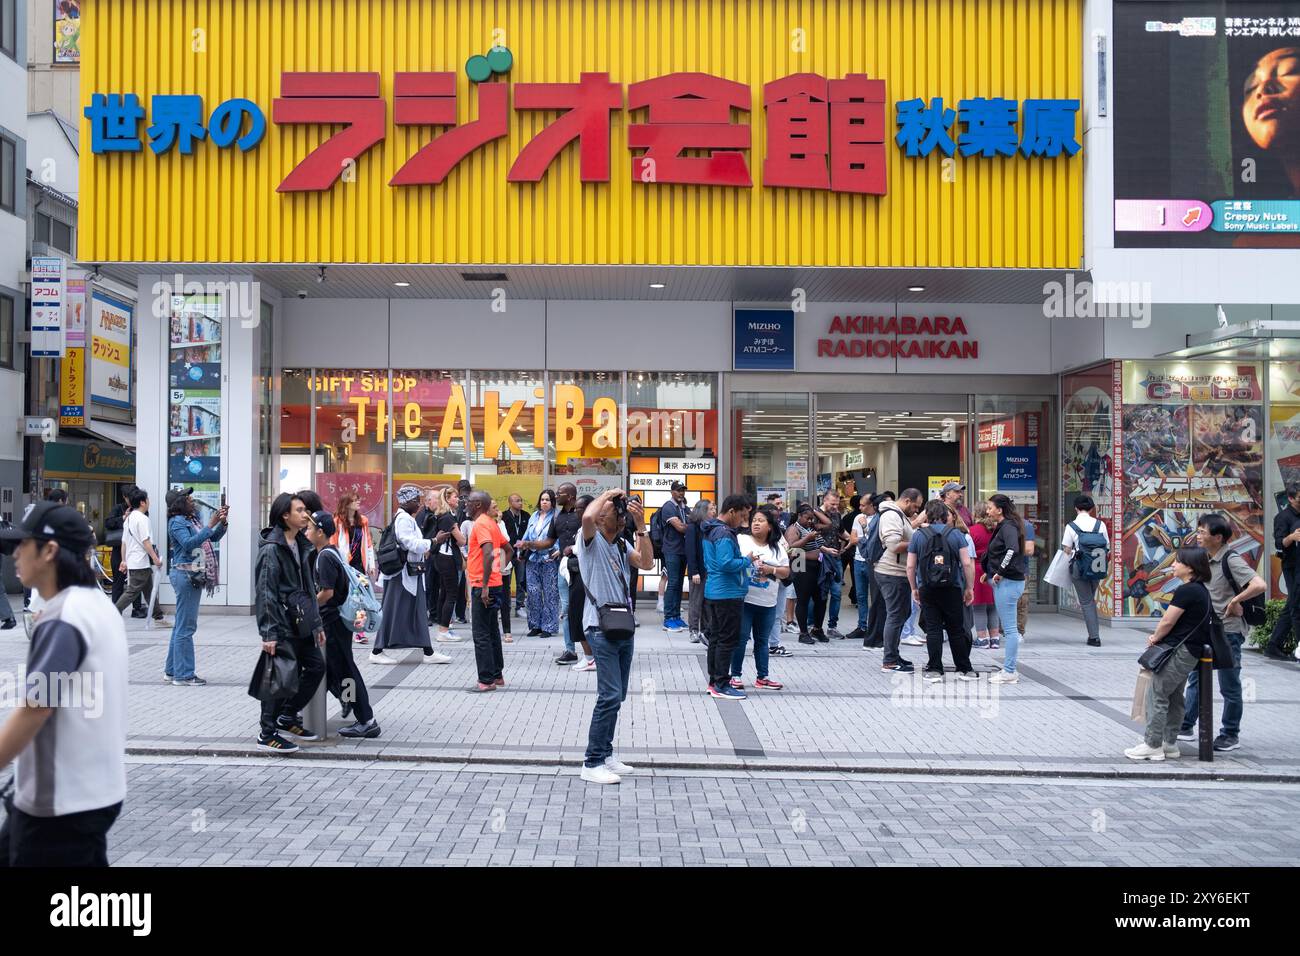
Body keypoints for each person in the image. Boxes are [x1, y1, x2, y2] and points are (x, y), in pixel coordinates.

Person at [0, 502, 128, 865]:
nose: (13, 556)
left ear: (49, 551)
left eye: (21, 546)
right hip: (94, 792)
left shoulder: (62, 618)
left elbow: (35, 708)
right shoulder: (98, 606)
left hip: (60, 805)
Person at [577, 489, 653, 784]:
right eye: (613, 509)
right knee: (608, 695)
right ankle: (591, 762)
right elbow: (586, 516)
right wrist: (609, 493)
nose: (619, 512)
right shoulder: (589, 541)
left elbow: (646, 563)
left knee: (617, 695)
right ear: (600, 517)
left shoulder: (621, 545)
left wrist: (641, 525)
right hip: (599, 626)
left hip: (623, 625)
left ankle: (606, 754)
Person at [1178, 514, 1266, 753]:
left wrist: (1235, 601)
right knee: (1196, 678)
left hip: (1228, 632)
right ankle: (1186, 725)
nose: (1198, 536)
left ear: (1218, 537)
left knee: (1229, 683)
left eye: (1202, 532)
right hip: (1205, 629)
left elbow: (1259, 584)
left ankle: (1230, 733)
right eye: (1198, 531)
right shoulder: (1205, 559)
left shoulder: (1231, 559)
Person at [253, 493, 327, 753]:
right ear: (285, 515)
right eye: (300, 510)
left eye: (306, 510)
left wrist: (316, 624)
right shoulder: (272, 548)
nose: (306, 515)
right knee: (279, 676)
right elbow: (265, 592)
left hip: (301, 619)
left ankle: (287, 715)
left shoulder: (300, 544)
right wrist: (269, 632)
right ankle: (267, 732)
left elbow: (308, 586)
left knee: (317, 666)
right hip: (281, 622)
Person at [1125, 548, 1215, 761]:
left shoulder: (1187, 591)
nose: (1173, 565)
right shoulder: (1201, 590)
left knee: (1157, 693)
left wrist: (1155, 637)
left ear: (1190, 567)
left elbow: (1168, 620)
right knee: (1174, 696)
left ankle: (1152, 744)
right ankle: (1170, 744)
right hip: (1190, 651)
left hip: (1179, 650)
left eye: (1178, 562)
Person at [307, 510, 380, 739]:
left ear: (320, 532)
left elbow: (327, 593)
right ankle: (347, 702)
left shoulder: (325, 557)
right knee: (335, 669)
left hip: (333, 621)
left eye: (309, 528)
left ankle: (366, 719)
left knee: (346, 670)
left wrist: (309, 606)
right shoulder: (331, 552)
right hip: (337, 621)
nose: (306, 531)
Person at [370, 487, 447, 665]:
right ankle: (376, 651)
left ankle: (428, 651)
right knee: (392, 610)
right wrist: (434, 541)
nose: (419, 504)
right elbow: (409, 543)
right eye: (416, 501)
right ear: (405, 502)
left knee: (417, 610)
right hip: (401, 574)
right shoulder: (404, 519)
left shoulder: (405, 518)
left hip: (409, 573)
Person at [907, 499, 979, 683]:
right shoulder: (956, 534)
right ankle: (964, 669)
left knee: (933, 629)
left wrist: (914, 588)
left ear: (927, 516)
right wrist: (969, 587)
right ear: (946, 516)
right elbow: (966, 564)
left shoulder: (918, 535)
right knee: (956, 629)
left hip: (927, 588)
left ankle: (934, 669)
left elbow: (910, 565)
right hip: (953, 587)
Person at [164, 486, 228, 686]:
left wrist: (222, 524)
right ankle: (184, 675)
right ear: (179, 503)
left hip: (191, 573)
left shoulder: (191, 520)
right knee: (186, 627)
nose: (192, 500)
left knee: (180, 626)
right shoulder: (177, 522)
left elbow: (212, 538)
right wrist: (210, 523)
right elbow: (189, 544)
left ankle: (172, 671)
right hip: (185, 574)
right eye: (188, 498)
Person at [729, 505, 790, 690]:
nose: (756, 523)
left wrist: (771, 569)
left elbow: (786, 572)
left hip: (768, 601)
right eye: (754, 520)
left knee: (762, 641)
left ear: (770, 526)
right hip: (745, 600)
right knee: (740, 639)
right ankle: (735, 676)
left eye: (761, 521)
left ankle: (762, 677)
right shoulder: (741, 539)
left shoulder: (778, 547)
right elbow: (731, 562)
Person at [703, 495, 756, 700]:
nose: (743, 521)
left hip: (715, 591)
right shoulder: (724, 533)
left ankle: (714, 681)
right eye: (742, 516)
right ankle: (722, 684)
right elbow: (726, 564)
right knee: (727, 639)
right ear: (732, 511)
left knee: (716, 638)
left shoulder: (711, 530)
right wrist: (747, 560)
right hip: (727, 592)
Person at [465, 492, 510, 690]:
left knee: (481, 634)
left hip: (483, 586)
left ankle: (486, 680)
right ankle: (496, 674)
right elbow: (508, 549)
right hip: (495, 583)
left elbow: (489, 552)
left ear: (476, 504)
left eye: (467, 502)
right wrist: (499, 571)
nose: (465, 505)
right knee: (492, 631)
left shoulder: (482, 523)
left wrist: (484, 585)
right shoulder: (491, 523)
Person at [875, 488, 924, 672]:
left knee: (901, 615)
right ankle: (889, 661)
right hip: (891, 572)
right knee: (895, 615)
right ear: (907, 501)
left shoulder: (899, 515)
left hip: (898, 572)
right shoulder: (892, 516)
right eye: (915, 506)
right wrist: (920, 542)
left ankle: (894, 655)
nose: (916, 511)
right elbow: (894, 545)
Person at [983, 493, 1028, 685]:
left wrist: (999, 571)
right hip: (1007, 580)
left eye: (990, 507)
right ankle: (1009, 670)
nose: (987, 510)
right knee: (1009, 629)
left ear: (999, 509)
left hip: (1008, 582)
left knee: (1009, 630)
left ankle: (1009, 671)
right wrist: (990, 571)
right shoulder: (1007, 525)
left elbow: (1011, 550)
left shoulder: (1008, 526)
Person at [554, 485, 597, 670]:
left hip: (584, 577)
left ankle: (590, 657)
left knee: (578, 615)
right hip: (574, 575)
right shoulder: (579, 527)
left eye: (581, 508)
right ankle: (588, 655)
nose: (577, 512)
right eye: (577, 508)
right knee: (574, 614)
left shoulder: (590, 527)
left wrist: (572, 549)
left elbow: (588, 549)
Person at [1060, 494, 1109, 647]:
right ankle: (1094, 634)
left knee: (1087, 601)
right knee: (1090, 600)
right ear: (1092, 508)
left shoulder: (1071, 526)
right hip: (1097, 566)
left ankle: (1094, 637)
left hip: (1079, 568)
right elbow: (1106, 546)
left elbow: (1067, 549)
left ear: (1076, 508)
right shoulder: (1100, 525)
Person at [113, 487, 166, 624]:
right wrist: (155, 558)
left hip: (133, 561)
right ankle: (112, 613)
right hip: (140, 561)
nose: (149, 501)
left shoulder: (129, 519)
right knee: (132, 592)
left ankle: (158, 617)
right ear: (142, 502)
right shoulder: (142, 519)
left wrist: (124, 560)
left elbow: (124, 542)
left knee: (149, 591)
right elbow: (145, 541)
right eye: (147, 499)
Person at [1264, 481, 1300, 660]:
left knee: (1292, 604)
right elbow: (1279, 544)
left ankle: (1273, 645)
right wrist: (1292, 537)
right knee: (1296, 606)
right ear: (1291, 498)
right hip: (1292, 566)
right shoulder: (1283, 517)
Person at [785, 504, 828, 644]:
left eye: (812, 518)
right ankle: (803, 633)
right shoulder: (793, 529)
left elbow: (829, 524)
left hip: (818, 567)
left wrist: (816, 510)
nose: (810, 521)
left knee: (821, 599)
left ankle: (817, 629)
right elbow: (791, 549)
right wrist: (807, 540)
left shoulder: (811, 528)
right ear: (799, 516)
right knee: (803, 600)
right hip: (801, 566)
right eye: (807, 518)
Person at [520, 488, 560, 637]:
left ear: (552, 502)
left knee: (550, 593)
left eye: (547, 500)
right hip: (532, 558)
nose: (544, 502)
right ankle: (535, 625)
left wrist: (558, 550)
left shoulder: (557, 516)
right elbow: (526, 536)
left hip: (549, 559)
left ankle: (548, 626)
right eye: (542, 499)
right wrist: (522, 547)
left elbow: (561, 536)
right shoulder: (533, 516)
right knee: (533, 592)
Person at [430, 487, 466, 644]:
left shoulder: (444, 516)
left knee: (444, 593)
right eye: (455, 497)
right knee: (451, 594)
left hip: (442, 558)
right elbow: (462, 540)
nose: (457, 499)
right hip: (447, 558)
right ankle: (444, 630)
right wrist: (459, 532)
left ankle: (443, 629)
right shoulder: (448, 518)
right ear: (447, 499)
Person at [104, 484, 145, 618]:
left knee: (136, 581)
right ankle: (115, 609)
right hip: (118, 549)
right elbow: (108, 523)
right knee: (118, 580)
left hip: (135, 550)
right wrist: (123, 518)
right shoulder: (118, 508)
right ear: (124, 497)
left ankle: (137, 609)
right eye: (128, 497)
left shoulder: (140, 509)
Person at [659, 481, 691, 633]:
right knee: (672, 583)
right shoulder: (668, 507)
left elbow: (690, 524)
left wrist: (689, 525)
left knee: (678, 584)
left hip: (683, 550)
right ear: (672, 491)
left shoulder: (684, 507)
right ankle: (668, 619)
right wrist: (690, 526)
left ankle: (676, 616)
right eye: (678, 490)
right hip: (672, 550)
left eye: (683, 490)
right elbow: (680, 527)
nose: (681, 493)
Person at [969, 501, 1001, 649]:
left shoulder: (972, 531)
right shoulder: (996, 530)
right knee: (993, 606)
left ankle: (982, 639)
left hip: (977, 570)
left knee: (979, 607)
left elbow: (968, 553)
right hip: (994, 570)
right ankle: (995, 639)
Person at [814, 491, 847, 638]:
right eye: (832, 503)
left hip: (835, 558)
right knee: (818, 593)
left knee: (837, 593)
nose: (835, 506)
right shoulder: (814, 514)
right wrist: (826, 549)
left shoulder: (837, 515)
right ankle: (813, 624)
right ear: (825, 500)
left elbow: (841, 532)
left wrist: (851, 540)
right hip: (820, 557)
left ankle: (832, 626)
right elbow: (810, 537)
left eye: (837, 503)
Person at [683, 499, 714, 645]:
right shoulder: (692, 527)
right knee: (696, 601)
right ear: (703, 511)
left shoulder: (710, 526)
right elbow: (690, 551)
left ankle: (706, 630)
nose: (714, 511)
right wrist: (693, 571)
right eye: (711, 509)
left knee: (708, 602)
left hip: (709, 570)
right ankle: (693, 630)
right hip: (698, 571)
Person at [846, 493, 876, 640]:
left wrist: (864, 529)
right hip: (858, 560)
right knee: (861, 595)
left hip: (874, 562)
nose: (860, 507)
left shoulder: (879, 518)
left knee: (876, 596)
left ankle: (875, 626)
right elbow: (853, 538)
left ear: (871, 505)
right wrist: (865, 538)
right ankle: (862, 625)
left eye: (863, 505)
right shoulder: (858, 517)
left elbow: (876, 540)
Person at [490, 499, 514, 645]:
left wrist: (499, 522)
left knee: (505, 600)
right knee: (492, 601)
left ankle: (507, 631)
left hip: (503, 564)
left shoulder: (500, 523)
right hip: (489, 566)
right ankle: (493, 631)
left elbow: (506, 539)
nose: (497, 510)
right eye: (494, 507)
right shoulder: (481, 524)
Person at [502, 493, 530, 616]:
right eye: (517, 500)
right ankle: (505, 606)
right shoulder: (503, 516)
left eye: (521, 500)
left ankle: (519, 606)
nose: (520, 502)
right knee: (505, 582)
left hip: (521, 554)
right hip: (507, 553)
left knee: (520, 581)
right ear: (510, 503)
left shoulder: (526, 515)